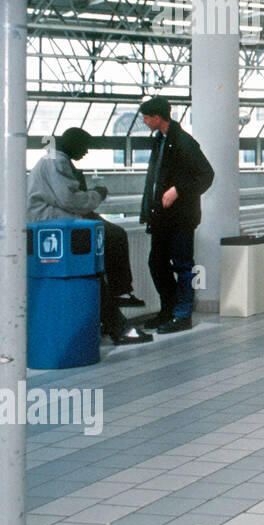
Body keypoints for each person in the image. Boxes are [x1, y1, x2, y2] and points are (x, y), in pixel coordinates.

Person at [27, 128, 152, 345]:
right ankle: (120, 300)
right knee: (100, 259)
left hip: (54, 225)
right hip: (55, 226)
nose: (86, 152)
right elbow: (70, 200)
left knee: (102, 259)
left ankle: (118, 307)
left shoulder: (55, 158)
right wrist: (97, 194)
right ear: (72, 143)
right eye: (84, 146)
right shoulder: (56, 161)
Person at [138, 96, 214, 335]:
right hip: (161, 216)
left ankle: (182, 314)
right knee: (157, 263)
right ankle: (168, 309)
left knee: (182, 264)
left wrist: (178, 189)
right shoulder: (160, 141)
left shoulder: (183, 141)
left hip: (180, 217)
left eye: (146, 118)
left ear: (157, 117)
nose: (144, 122)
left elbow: (205, 174)